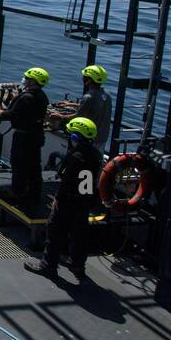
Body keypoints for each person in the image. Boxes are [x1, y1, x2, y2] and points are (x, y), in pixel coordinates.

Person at [26, 117, 102, 278]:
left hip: (69, 200)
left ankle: (47, 265)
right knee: (79, 233)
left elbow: (65, 179)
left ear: (76, 137)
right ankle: (77, 265)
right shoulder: (95, 154)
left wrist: (57, 200)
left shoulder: (74, 156)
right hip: (85, 199)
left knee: (54, 232)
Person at [0, 67, 50, 215]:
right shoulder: (42, 96)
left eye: (27, 78)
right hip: (36, 136)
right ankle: (34, 195)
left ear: (32, 81)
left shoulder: (26, 98)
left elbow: (11, 115)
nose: (24, 80)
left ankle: (17, 195)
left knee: (19, 166)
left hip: (23, 137)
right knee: (34, 167)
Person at [48, 64, 111, 148]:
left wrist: (61, 116)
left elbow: (78, 116)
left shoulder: (88, 97)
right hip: (102, 137)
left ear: (88, 80)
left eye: (85, 77)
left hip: (90, 138)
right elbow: (93, 106)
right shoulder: (106, 95)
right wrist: (71, 104)